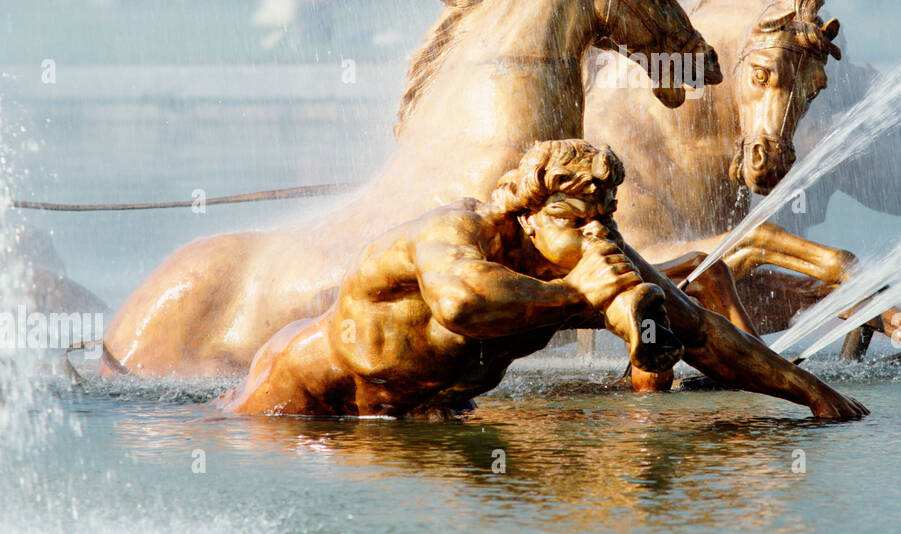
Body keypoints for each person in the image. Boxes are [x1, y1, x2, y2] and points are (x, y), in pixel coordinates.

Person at [217, 139, 867, 421]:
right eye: (576, 220)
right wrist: (575, 298)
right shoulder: (453, 234)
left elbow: (708, 334)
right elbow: (464, 302)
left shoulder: (587, 253)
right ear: (528, 215)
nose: (597, 237)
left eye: (604, 219)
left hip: (424, 417)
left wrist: (810, 392)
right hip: (302, 404)